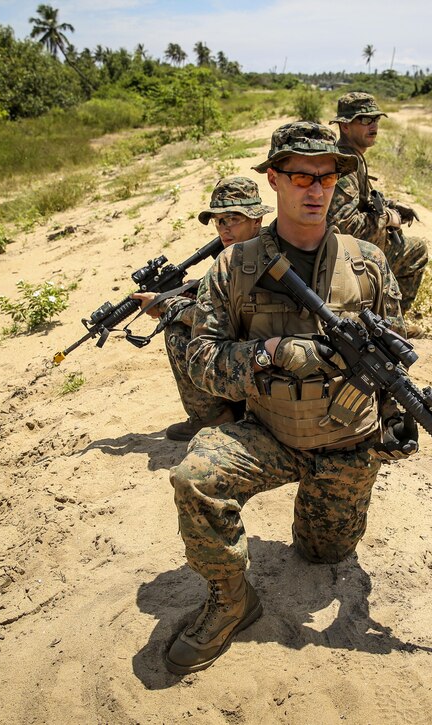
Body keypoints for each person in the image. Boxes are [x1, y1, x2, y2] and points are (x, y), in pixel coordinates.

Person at [164, 122, 418, 675]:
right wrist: (270, 353)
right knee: (195, 478)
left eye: (326, 178)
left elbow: (393, 355)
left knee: (324, 554)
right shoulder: (234, 266)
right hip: (270, 435)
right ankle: (233, 601)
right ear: (275, 180)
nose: (316, 190)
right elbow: (200, 360)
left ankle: (325, 510)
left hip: (346, 442)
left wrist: (395, 422)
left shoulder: (368, 263)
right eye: (302, 176)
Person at [131, 177, 272, 441]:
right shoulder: (246, 252)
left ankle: (213, 417)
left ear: (256, 220)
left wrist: (166, 305)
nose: (224, 229)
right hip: (259, 356)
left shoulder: (256, 259)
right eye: (219, 221)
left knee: (177, 330)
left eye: (233, 219)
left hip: (264, 359)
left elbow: (221, 321)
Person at [327, 92, 429, 337]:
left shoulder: (354, 158)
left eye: (375, 119)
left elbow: (362, 201)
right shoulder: (346, 162)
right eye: (364, 119)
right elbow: (346, 224)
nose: (373, 125)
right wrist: (386, 220)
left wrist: (391, 206)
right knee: (416, 251)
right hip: (338, 257)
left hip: (343, 251)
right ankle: (391, 326)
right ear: (345, 125)